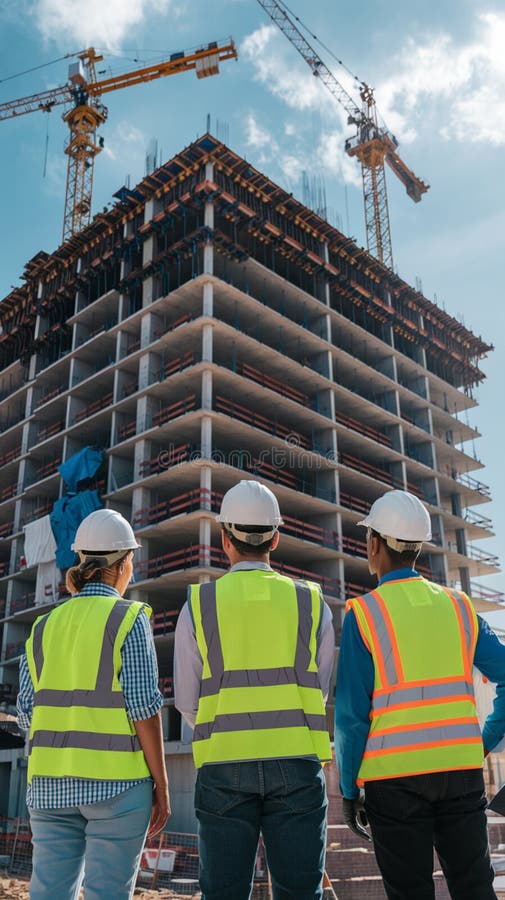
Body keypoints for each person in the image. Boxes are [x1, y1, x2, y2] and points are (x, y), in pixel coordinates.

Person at [334, 489, 505, 900]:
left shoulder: (364, 613)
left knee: (409, 892)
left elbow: (351, 717)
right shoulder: (460, 607)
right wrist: (482, 742)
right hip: (460, 775)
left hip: (392, 783)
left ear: (374, 545)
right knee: (475, 889)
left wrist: (347, 789)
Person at [174, 479, 335, 900]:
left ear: (225, 539)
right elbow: (318, 691)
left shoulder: (199, 602)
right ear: (276, 538)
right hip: (298, 764)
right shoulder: (311, 601)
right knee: (301, 893)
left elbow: (188, 702)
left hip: (223, 766)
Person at [17, 508, 170, 900]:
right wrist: (162, 786)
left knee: (49, 893)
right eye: (132, 562)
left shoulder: (42, 628)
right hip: (117, 790)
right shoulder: (129, 618)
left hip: (49, 787)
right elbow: (143, 710)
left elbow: (27, 713)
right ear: (122, 564)